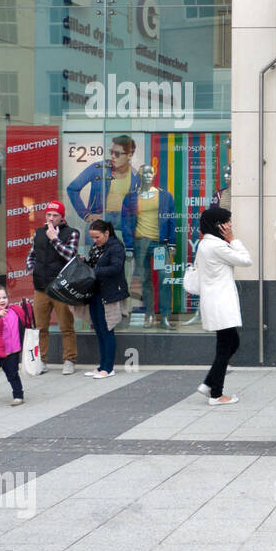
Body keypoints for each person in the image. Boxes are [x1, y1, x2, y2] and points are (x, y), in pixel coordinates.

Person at [194, 207, 251, 406]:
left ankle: (209, 383)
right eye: (226, 222)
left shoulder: (206, 244)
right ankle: (216, 394)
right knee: (226, 346)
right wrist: (233, 239)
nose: (229, 225)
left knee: (230, 343)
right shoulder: (216, 246)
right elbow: (246, 260)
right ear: (217, 224)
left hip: (216, 301)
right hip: (220, 303)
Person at [25, 201, 79, 375]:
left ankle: (69, 360)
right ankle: (41, 360)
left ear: (62, 217)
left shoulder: (72, 233)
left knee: (66, 326)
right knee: (40, 327)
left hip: (61, 288)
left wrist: (54, 239)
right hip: (41, 286)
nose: (51, 218)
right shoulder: (39, 233)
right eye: (48, 214)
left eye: (55, 215)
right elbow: (31, 254)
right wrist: (31, 267)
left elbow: (70, 255)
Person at [121, 164, 177, 329]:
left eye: (150, 173)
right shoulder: (131, 198)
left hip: (158, 245)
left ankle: (165, 316)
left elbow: (171, 220)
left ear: (154, 174)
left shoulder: (164, 196)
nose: (147, 176)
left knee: (163, 278)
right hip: (140, 244)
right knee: (145, 280)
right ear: (139, 175)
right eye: (144, 173)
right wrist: (129, 247)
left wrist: (172, 243)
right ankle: (150, 315)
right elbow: (126, 223)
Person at [67, 135, 140, 239]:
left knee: (129, 247)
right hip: (101, 216)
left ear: (129, 155)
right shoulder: (99, 168)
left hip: (123, 219)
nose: (113, 156)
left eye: (117, 153)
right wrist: (85, 215)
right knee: (93, 244)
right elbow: (72, 188)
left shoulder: (135, 175)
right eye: (111, 152)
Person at [84, 219, 128, 380]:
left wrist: (94, 271)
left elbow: (116, 268)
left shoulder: (116, 247)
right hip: (95, 292)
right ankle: (102, 366)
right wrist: (85, 263)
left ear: (107, 233)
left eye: (97, 237)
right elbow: (93, 265)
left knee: (107, 330)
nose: (95, 241)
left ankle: (108, 367)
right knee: (99, 329)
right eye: (93, 238)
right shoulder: (97, 247)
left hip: (108, 294)